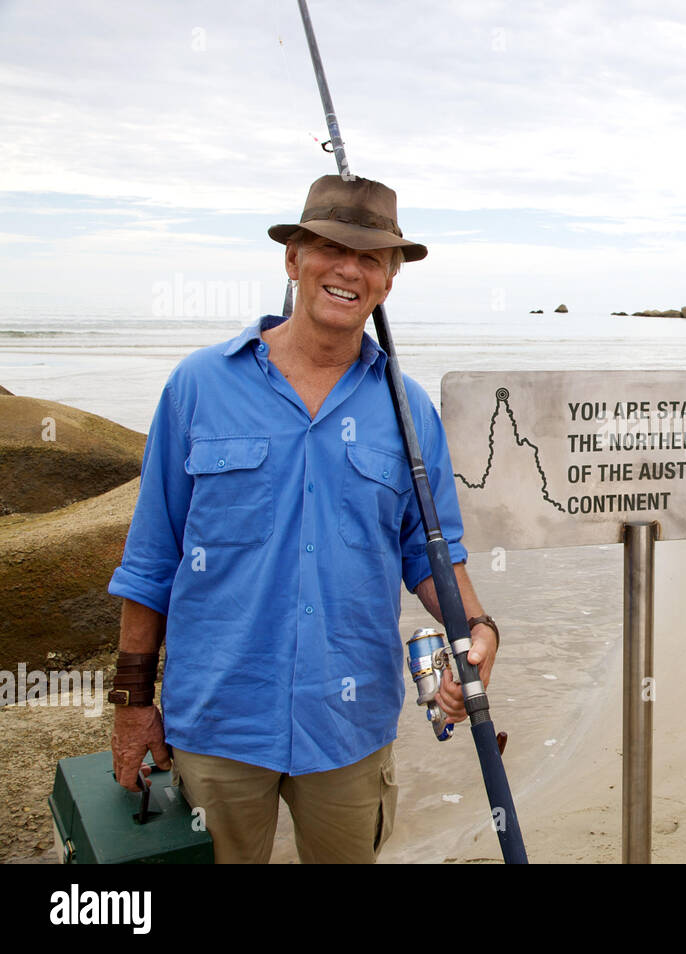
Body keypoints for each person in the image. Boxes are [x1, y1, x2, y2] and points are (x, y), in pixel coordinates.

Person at [107, 174, 501, 863]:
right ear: (293, 260)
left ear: (388, 281)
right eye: (329, 247)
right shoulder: (197, 386)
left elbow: (432, 554)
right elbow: (150, 560)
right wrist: (133, 703)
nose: (349, 268)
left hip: (348, 729)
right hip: (217, 722)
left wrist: (480, 628)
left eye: (372, 257)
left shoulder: (410, 412)